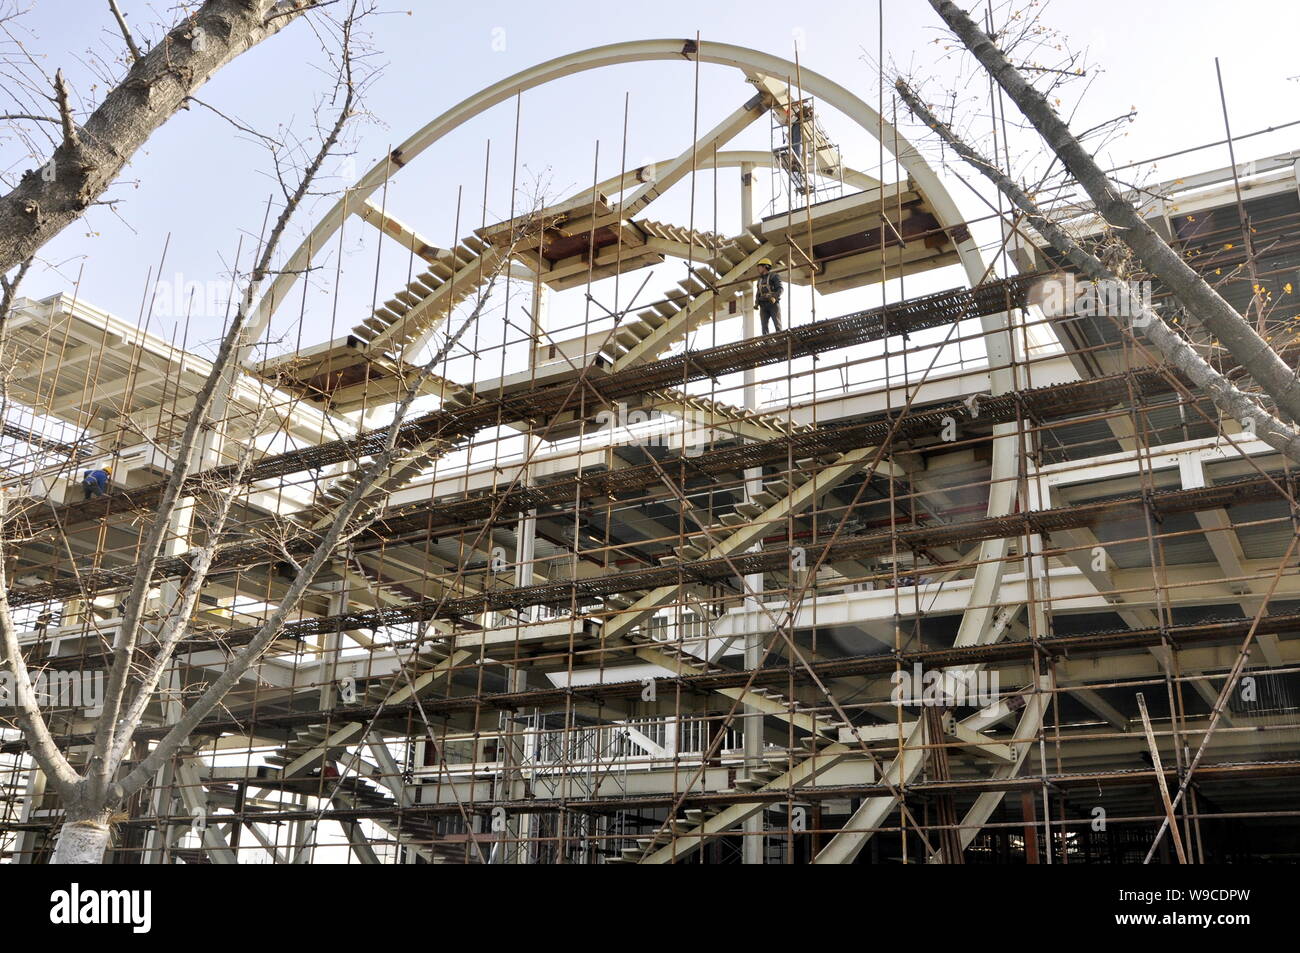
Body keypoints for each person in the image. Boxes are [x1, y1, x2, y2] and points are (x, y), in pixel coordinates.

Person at [755, 258, 783, 335]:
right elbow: (758, 292)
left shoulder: (774, 276)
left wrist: (774, 297)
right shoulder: (759, 280)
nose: (758, 269)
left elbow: (780, 289)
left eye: (759, 266)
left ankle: (780, 339)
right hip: (763, 305)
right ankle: (766, 342)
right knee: (764, 326)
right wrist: (756, 303)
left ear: (765, 267)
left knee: (777, 324)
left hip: (773, 303)